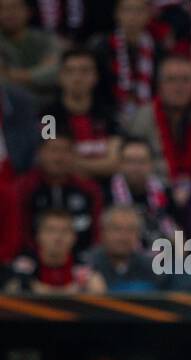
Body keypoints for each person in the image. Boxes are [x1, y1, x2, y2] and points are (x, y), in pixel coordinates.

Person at [123, 54, 191, 208]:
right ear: (159, 85)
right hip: (156, 195)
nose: (179, 87)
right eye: (171, 80)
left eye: (185, 80)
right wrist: (169, 190)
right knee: (173, 229)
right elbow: (137, 162)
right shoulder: (142, 117)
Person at [16, 135, 104, 256]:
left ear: (74, 155)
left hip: (84, 259)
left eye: (65, 151)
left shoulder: (89, 189)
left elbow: (97, 233)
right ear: (40, 154)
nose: (59, 158)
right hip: (32, 259)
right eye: (53, 150)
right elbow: (18, 232)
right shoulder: (24, 188)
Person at [47, 48, 122, 181]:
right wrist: (98, 165)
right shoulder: (49, 117)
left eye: (84, 71)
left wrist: (73, 163)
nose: (77, 78)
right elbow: (51, 161)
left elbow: (114, 163)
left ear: (95, 77)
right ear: (60, 77)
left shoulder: (108, 115)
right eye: (70, 71)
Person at [3, 209, 98, 295]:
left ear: (74, 237)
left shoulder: (83, 263)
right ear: (38, 235)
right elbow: (11, 289)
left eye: (65, 231)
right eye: (50, 230)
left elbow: (98, 290)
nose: (58, 237)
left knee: (95, 282)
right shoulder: (25, 261)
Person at [83, 204, 161, 293]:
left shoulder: (150, 268)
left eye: (130, 230)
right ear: (103, 232)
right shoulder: (88, 264)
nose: (123, 237)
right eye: (117, 229)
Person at [0, 0, 61, 101]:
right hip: (7, 106)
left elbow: (56, 72)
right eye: (3, 8)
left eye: (15, 7)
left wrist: (16, 75)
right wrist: (38, 73)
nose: (9, 13)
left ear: (28, 11)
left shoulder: (46, 39)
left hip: (45, 103)